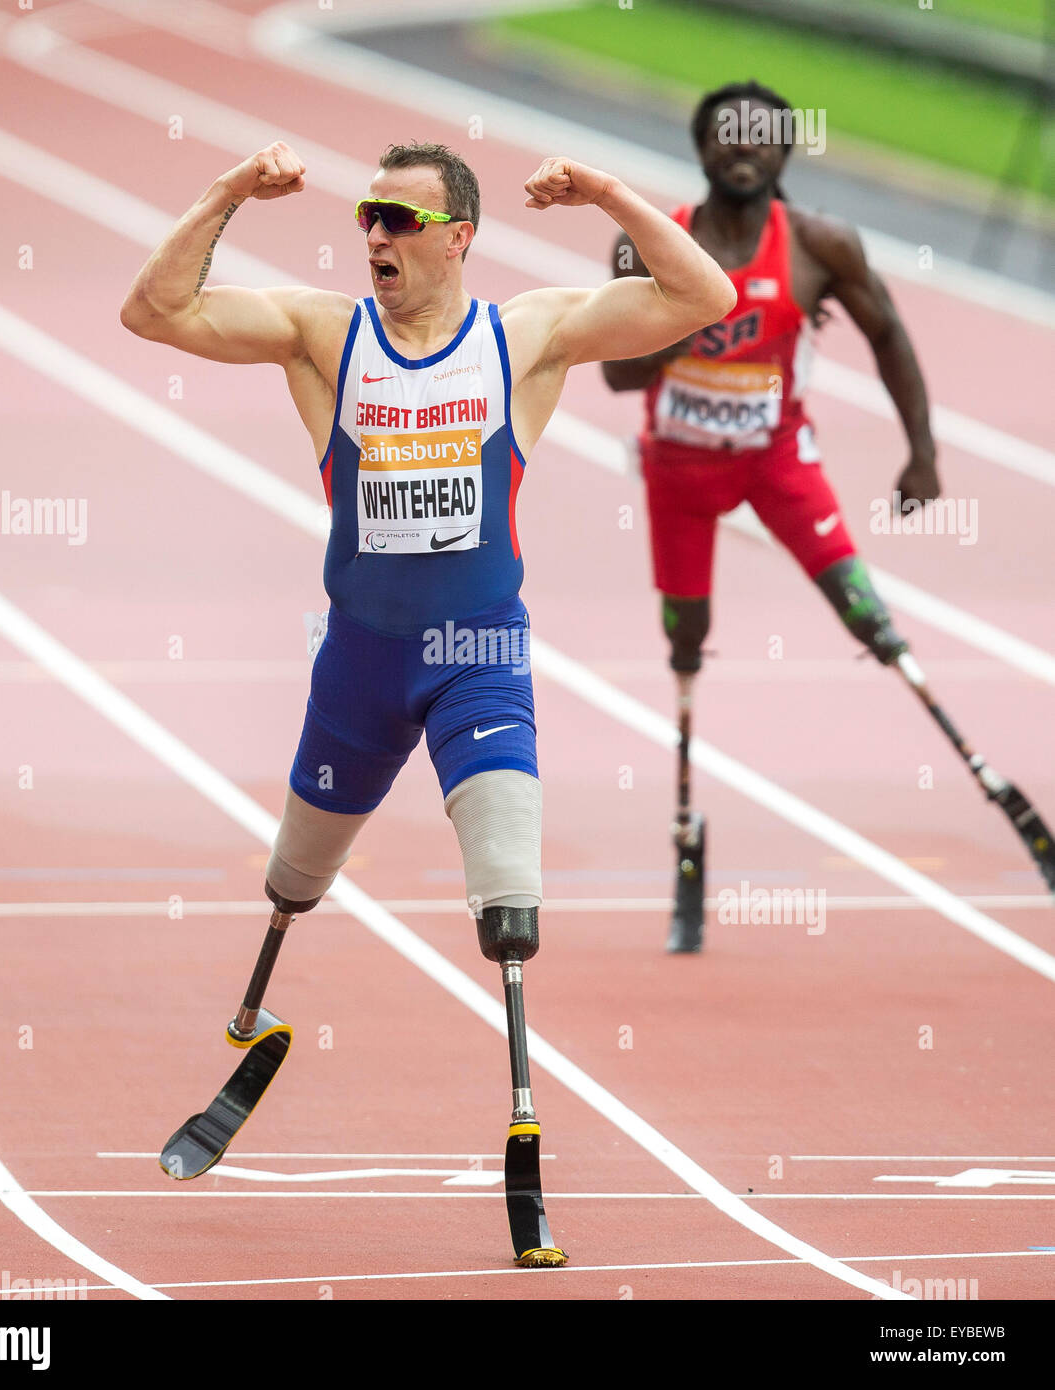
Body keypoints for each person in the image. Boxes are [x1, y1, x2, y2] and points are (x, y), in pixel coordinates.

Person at [121, 138, 735, 1258]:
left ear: (459, 238)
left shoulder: (525, 335)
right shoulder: (322, 333)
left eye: (401, 221)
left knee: (509, 907)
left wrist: (600, 191)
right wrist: (225, 193)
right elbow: (152, 313)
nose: (376, 238)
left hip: (476, 653)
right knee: (293, 877)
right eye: (368, 218)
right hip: (358, 657)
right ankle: (255, 1018)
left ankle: (523, 1129)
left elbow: (704, 294)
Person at [603, 80, 941, 952]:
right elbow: (616, 377)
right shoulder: (651, 243)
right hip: (679, 470)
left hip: (777, 460)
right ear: (703, 149)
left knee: (862, 605)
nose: (743, 151)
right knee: (687, 632)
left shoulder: (821, 244)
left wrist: (923, 453)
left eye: (762, 139)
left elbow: (891, 335)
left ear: (785, 153)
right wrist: (685, 316)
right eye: (728, 137)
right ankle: (685, 823)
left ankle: (959, 745)